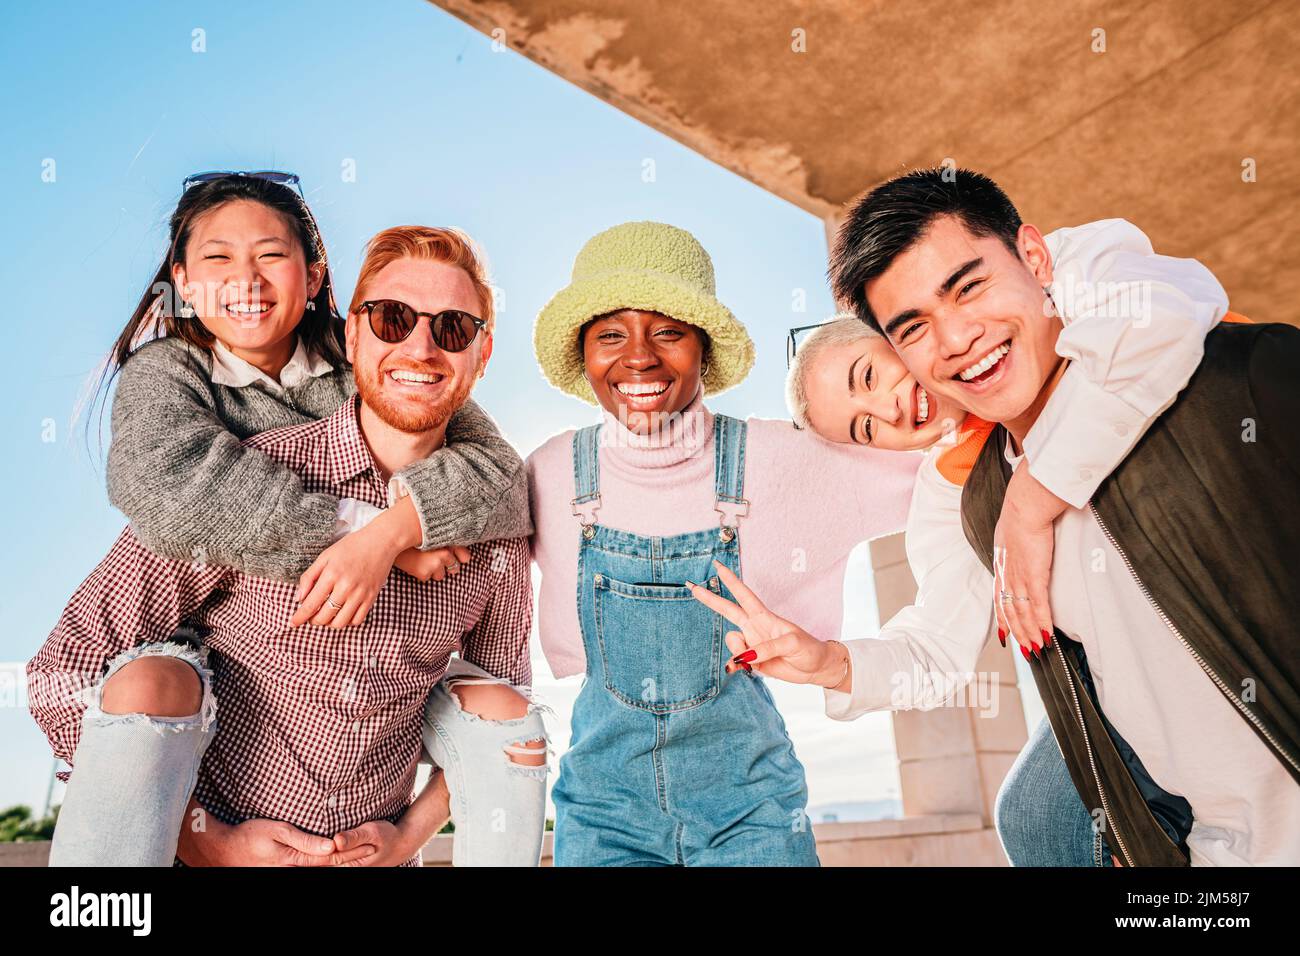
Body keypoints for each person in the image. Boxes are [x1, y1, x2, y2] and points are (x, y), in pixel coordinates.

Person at [29, 214, 546, 867]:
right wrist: (205, 838)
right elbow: (59, 673)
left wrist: (407, 839)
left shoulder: (491, 532)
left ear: (481, 354)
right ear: (351, 335)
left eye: (451, 328)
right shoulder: (234, 490)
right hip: (207, 854)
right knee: (149, 679)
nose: (420, 349)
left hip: (374, 857)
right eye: (392, 319)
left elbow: (495, 719)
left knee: (501, 704)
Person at [827, 166, 1298, 865]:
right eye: (915, 329)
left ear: (1038, 258)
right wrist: (830, 663)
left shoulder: (1235, 378)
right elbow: (938, 640)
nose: (955, 339)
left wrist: (1031, 502)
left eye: (970, 287)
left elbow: (1167, 307)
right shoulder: (964, 493)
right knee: (1036, 814)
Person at [526, 221, 919, 866]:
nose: (640, 357)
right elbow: (459, 528)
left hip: (751, 813)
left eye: (669, 332)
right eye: (611, 335)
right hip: (602, 816)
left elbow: (943, 468)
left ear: (704, 348)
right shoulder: (549, 474)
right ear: (584, 354)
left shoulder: (784, 461)